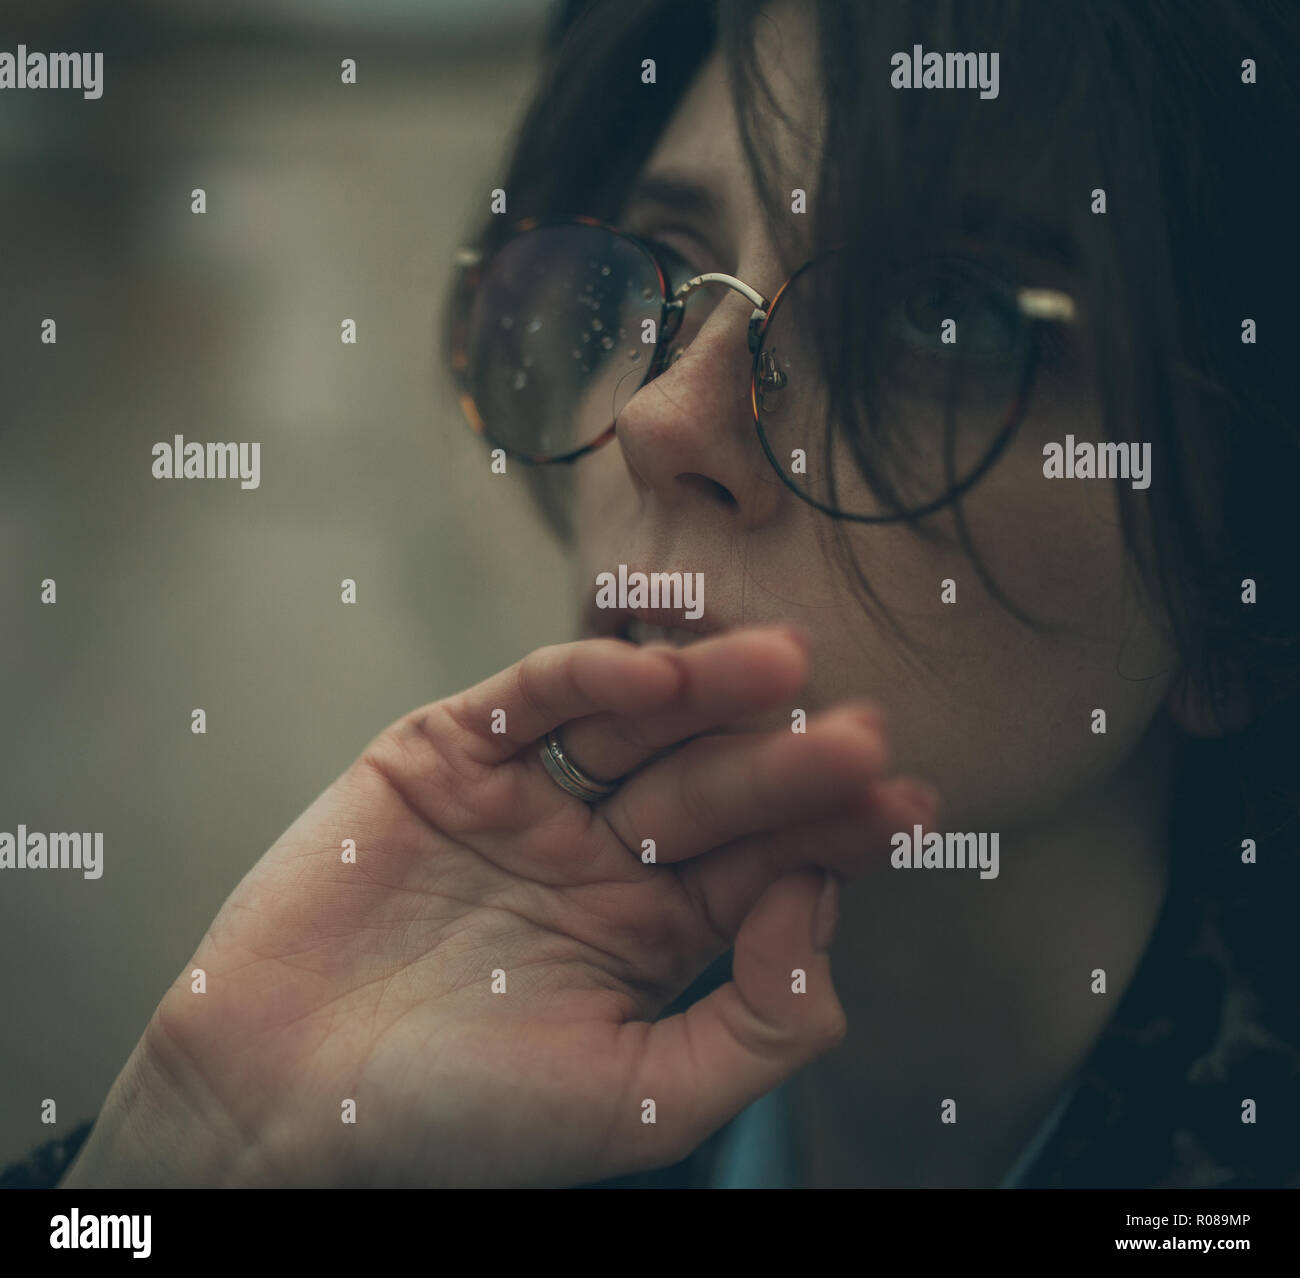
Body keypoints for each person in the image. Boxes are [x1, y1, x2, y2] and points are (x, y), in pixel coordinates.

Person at [8, 0, 1297, 1190]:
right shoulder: (478, 1083)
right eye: (660, 265)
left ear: (1239, 575)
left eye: (943, 319)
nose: (660, 415)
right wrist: (204, 1143)